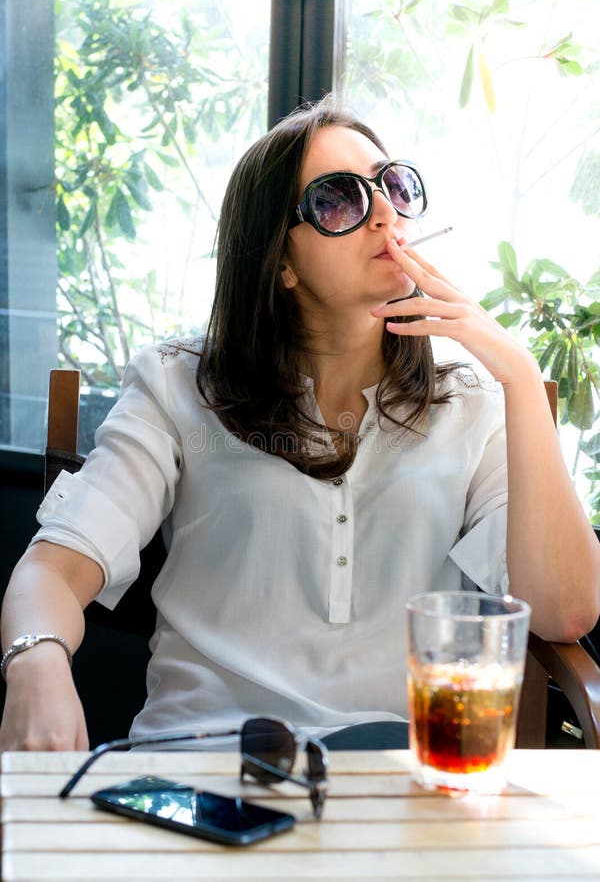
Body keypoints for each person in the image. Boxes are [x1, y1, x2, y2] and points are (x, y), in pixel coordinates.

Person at [1, 99, 599, 754]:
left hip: (401, 782)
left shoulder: (473, 401)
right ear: (279, 262)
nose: (383, 211)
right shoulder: (178, 385)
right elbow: (55, 569)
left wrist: (518, 376)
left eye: (393, 184)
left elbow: (565, 611)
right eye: (338, 199)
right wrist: (35, 662)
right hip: (201, 768)